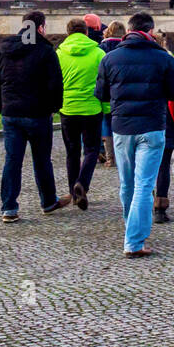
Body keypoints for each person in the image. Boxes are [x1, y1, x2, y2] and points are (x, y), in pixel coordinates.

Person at [94, 12, 174, 255]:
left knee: (127, 184)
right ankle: (133, 241)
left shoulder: (110, 59)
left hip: (122, 128)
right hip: (152, 126)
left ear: (129, 30)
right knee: (144, 185)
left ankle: (132, 231)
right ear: (151, 30)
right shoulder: (162, 58)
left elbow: (101, 95)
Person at [0, 11, 69, 223]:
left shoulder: (4, 49)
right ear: (41, 27)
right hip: (38, 113)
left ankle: (9, 207)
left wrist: (2, 107)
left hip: (11, 113)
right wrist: (54, 107)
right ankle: (48, 201)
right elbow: (55, 84)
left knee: (12, 160)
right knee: (42, 160)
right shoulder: (44, 50)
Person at [57, 17, 105, 209]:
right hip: (92, 107)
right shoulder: (98, 53)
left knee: (72, 151)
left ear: (68, 33)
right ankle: (82, 184)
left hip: (67, 108)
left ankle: (73, 192)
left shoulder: (59, 53)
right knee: (92, 150)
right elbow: (104, 82)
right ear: (86, 32)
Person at [149, 29, 174, 224]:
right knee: (163, 167)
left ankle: (145, 203)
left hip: (142, 121)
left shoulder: (137, 61)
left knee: (146, 167)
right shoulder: (170, 62)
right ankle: (160, 208)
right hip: (166, 121)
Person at [97, 21, 124, 166]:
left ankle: (110, 157)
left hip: (106, 93)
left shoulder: (101, 49)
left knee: (106, 122)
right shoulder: (126, 48)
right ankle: (122, 156)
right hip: (122, 93)